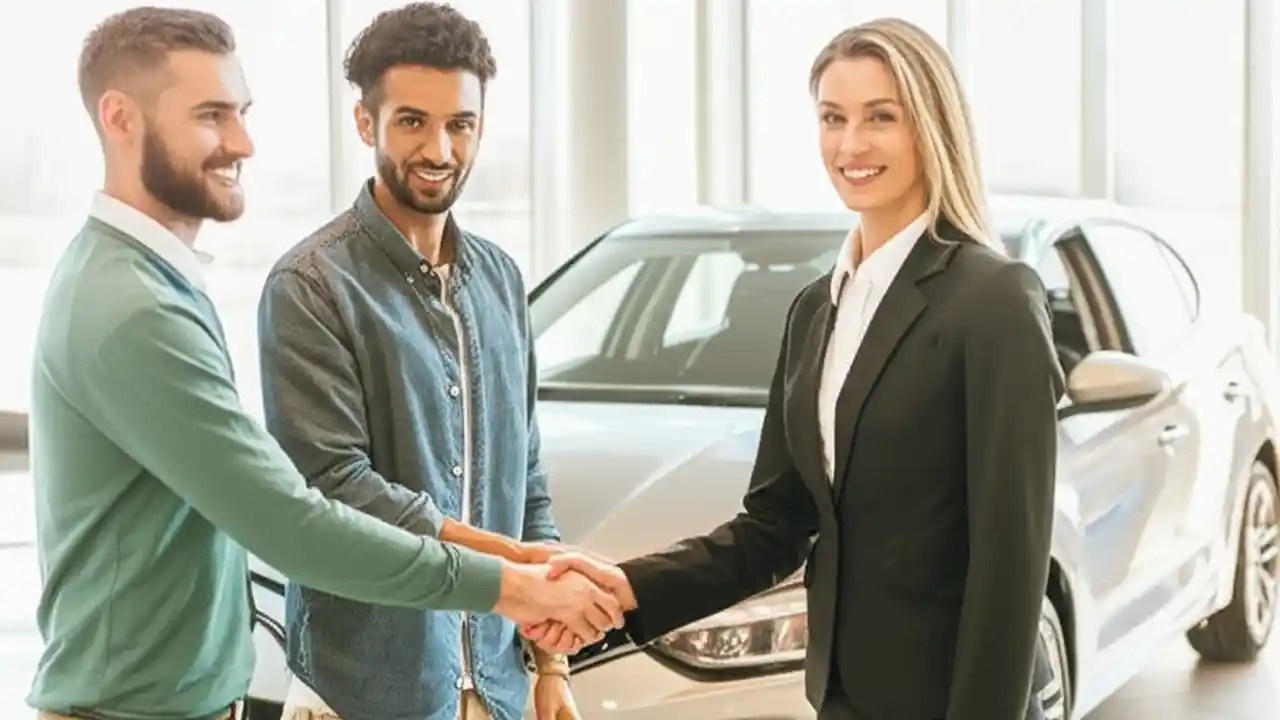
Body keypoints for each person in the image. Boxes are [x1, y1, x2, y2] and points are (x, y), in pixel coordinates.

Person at [27, 8, 619, 720]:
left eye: (241, 112)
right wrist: (514, 583)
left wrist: (542, 646)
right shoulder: (142, 307)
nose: (244, 141)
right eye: (212, 115)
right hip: (275, 699)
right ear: (120, 119)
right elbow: (300, 516)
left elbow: (524, 477)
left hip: (454, 687)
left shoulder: (153, 284)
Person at [525, 17, 1066, 720]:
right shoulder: (817, 310)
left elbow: (1010, 566)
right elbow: (775, 526)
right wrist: (626, 589)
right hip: (837, 697)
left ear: (931, 127)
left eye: (881, 117)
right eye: (833, 118)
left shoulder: (992, 300)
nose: (851, 144)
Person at [255, 4, 581, 720]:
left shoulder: (500, 281)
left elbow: (524, 477)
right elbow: (338, 488)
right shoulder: (309, 287)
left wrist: (550, 661)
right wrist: (507, 570)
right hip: (362, 694)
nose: (439, 148)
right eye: (412, 122)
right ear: (366, 123)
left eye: (459, 124)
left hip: (494, 693)